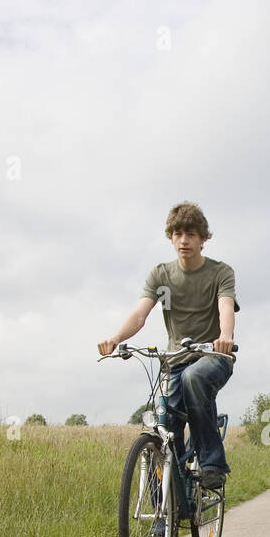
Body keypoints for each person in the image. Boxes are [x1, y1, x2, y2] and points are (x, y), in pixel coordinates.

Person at [98, 201, 237, 490]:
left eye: (191, 234)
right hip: (174, 361)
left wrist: (225, 336)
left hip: (212, 356)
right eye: (177, 234)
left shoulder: (220, 272)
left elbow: (225, 307)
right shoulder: (161, 275)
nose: (183, 240)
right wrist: (115, 339)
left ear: (203, 239)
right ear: (170, 237)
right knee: (162, 431)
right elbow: (139, 315)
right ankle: (162, 521)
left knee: (193, 378)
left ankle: (211, 463)